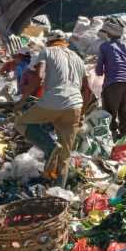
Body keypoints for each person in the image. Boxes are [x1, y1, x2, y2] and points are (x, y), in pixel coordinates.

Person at [15, 30, 90, 185]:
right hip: (75, 105)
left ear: (49, 42)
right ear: (65, 42)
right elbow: (87, 90)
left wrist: (22, 101)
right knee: (65, 155)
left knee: (21, 123)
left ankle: (50, 146)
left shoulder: (47, 51)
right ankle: (58, 191)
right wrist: (82, 113)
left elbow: (39, 76)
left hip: (53, 100)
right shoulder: (78, 58)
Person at [95, 17, 126, 139]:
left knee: (109, 117)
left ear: (109, 34)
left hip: (112, 85)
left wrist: (102, 72)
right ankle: (125, 143)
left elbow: (99, 71)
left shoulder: (104, 47)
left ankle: (111, 140)